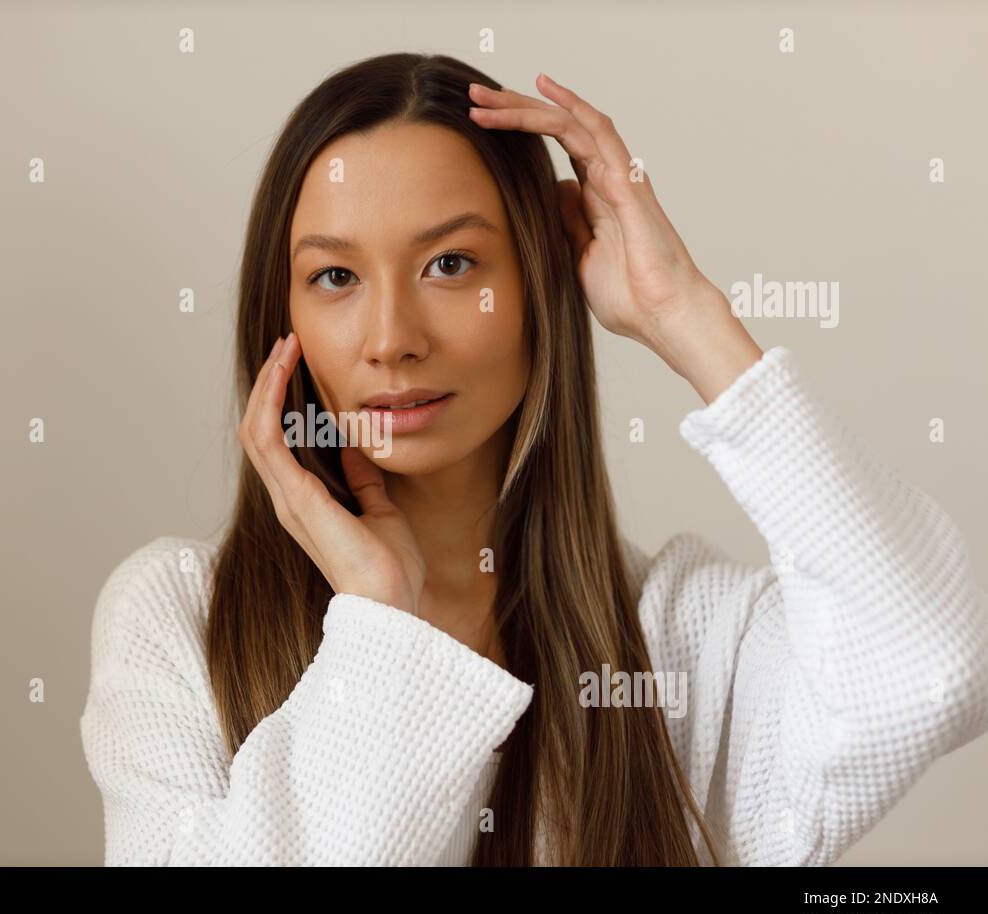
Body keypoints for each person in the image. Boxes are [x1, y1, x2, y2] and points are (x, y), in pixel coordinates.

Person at [79, 52, 988, 866]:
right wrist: (379, 624)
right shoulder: (176, 619)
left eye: (450, 265)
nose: (391, 339)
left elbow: (932, 664)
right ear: (284, 318)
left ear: (540, 283)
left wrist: (686, 319)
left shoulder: (675, 644)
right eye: (336, 277)